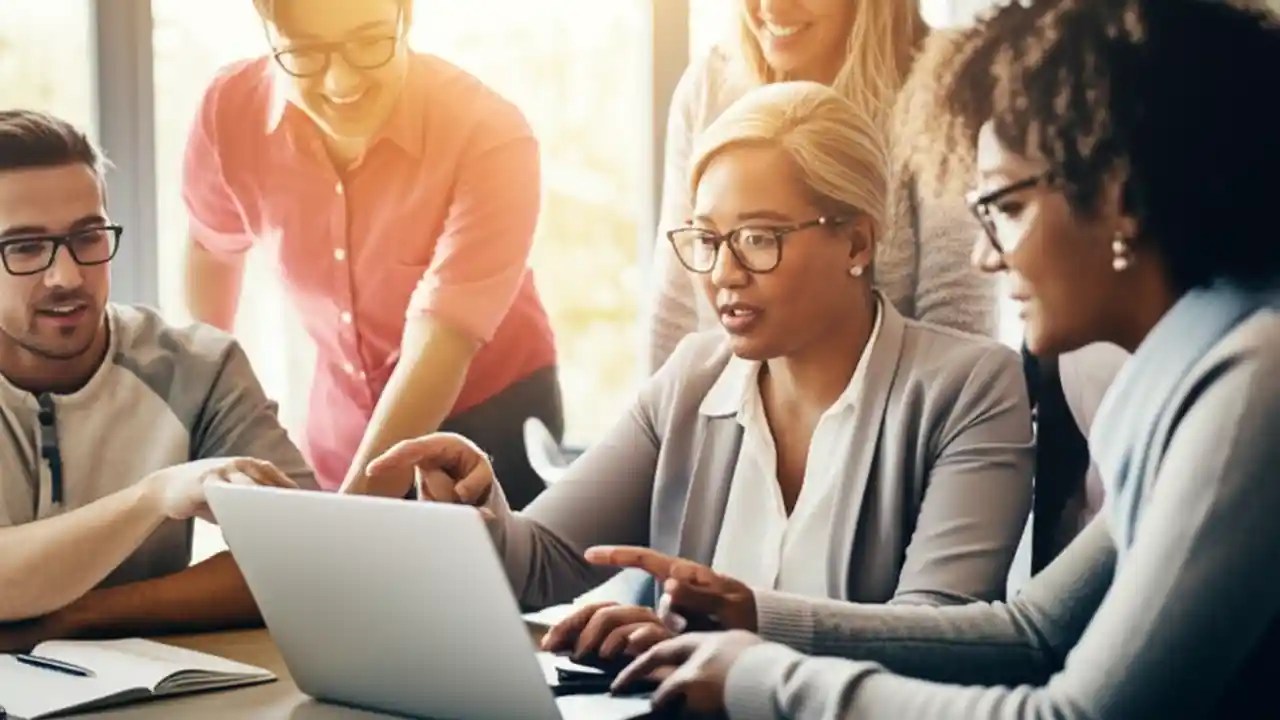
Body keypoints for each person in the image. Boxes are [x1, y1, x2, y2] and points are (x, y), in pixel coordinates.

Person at [608, 1, 1280, 717]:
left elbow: (1077, 715)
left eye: (1006, 208)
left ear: (1119, 199)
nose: (986, 255)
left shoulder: (1250, 392)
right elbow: (1034, 633)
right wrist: (753, 618)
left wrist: (767, 682)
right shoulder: (1194, 374)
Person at [369, 81, 1034, 662]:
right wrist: (478, 509)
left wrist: (742, 630)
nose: (723, 274)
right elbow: (543, 563)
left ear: (857, 241)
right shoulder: (693, 378)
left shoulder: (970, 389)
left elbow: (942, 638)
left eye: (758, 238)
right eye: (709, 239)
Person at [182, 0, 560, 509]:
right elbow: (212, 248)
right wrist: (205, 414)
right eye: (306, 53)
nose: (341, 81)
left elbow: (444, 335)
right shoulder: (228, 112)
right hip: (339, 423)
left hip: (489, 418)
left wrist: (352, 518)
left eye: (369, 42)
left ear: (406, 16)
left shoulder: (491, 134)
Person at [0, 110, 315, 652]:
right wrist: (154, 497)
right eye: (25, 247)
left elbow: (307, 555)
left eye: (88, 237)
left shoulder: (199, 366)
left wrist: (77, 617)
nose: (68, 276)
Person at [648, 0, 996, 373]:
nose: (771, 7)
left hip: (891, 416)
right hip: (730, 416)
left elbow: (956, 316)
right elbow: (677, 308)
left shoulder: (941, 84)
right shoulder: (710, 86)